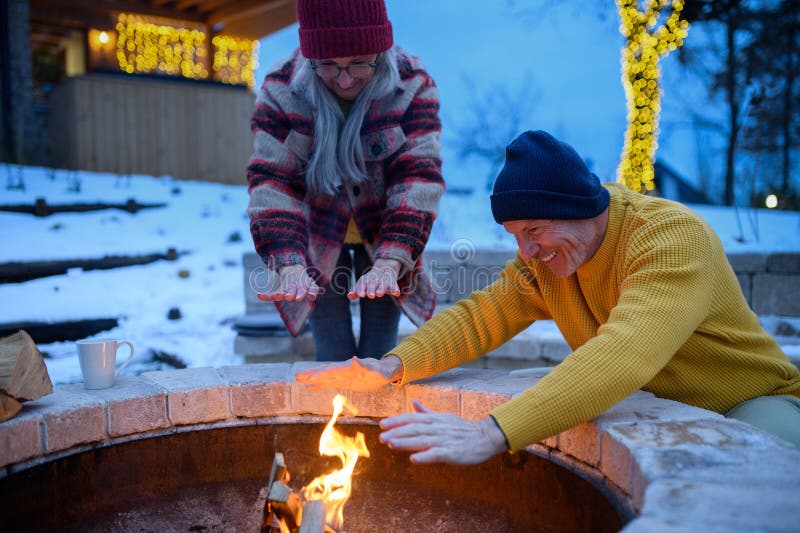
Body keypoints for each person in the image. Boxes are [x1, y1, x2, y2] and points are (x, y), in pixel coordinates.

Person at [297, 130, 800, 463]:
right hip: (652, 401)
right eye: (517, 236)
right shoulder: (550, 262)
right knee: (525, 390)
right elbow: (480, 316)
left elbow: (625, 352)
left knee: (754, 463)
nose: (527, 251)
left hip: (750, 401)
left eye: (534, 230)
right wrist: (392, 365)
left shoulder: (670, 240)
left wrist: (491, 433)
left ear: (579, 208)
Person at [246, 0, 444, 361]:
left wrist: (390, 262)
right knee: (332, 353)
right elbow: (273, 182)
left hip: (386, 231)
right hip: (316, 235)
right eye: (328, 65)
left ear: (380, 54)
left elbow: (417, 177)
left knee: (378, 354)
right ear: (310, 58)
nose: (344, 79)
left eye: (358, 63)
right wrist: (289, 265)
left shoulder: (412, 84)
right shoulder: (281, 89)